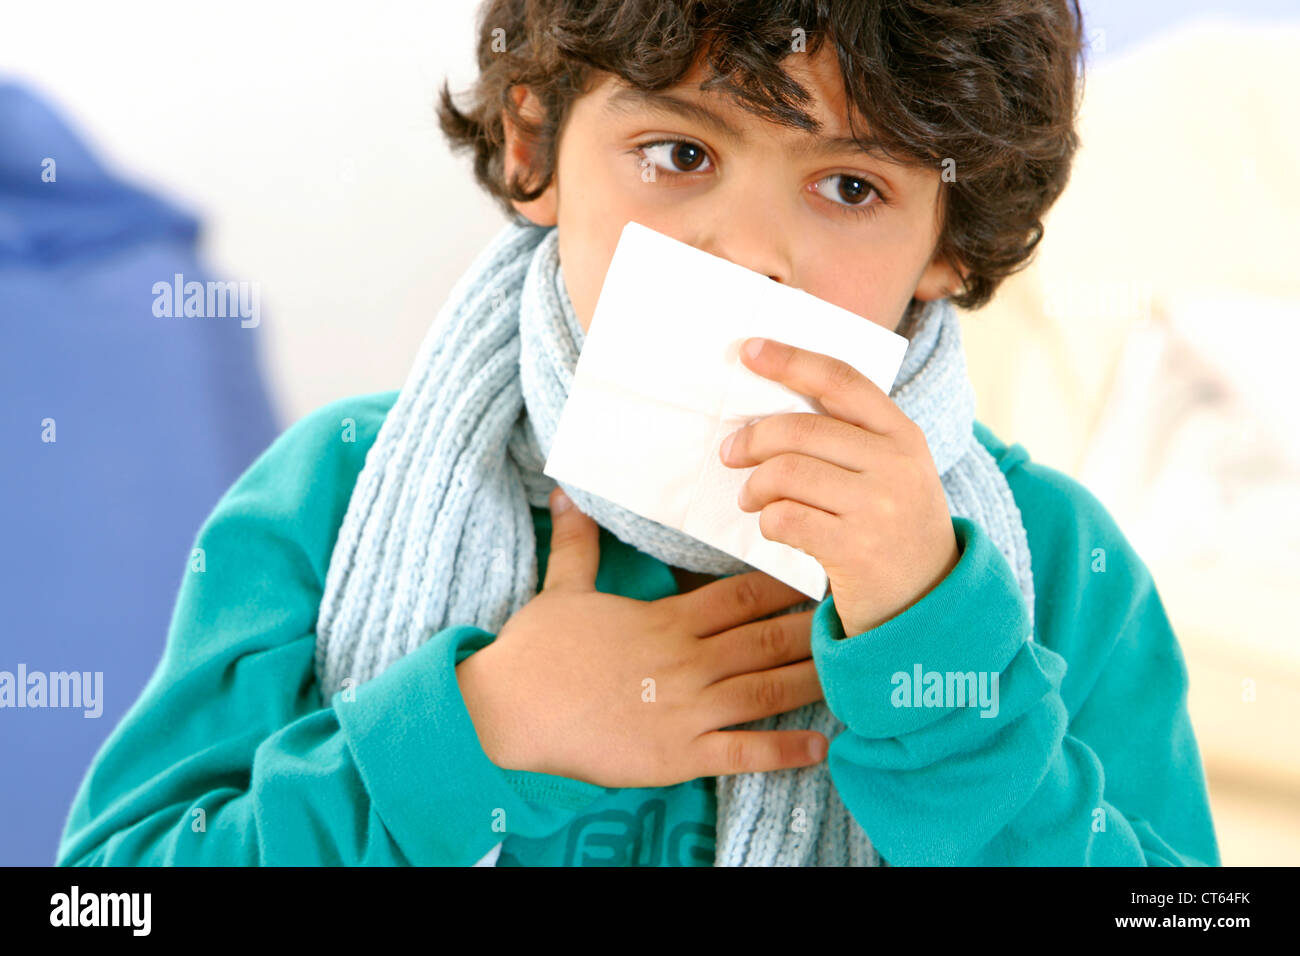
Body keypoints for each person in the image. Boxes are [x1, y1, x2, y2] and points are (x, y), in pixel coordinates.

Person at [58, 0, 1220, 866]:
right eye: (679, 155)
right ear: (532, 145)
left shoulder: (1055, 562)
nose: (747, 253)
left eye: (850, 188)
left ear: (949, 241)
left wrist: (936, 653)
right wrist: (481, 732)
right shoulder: (329, 494)